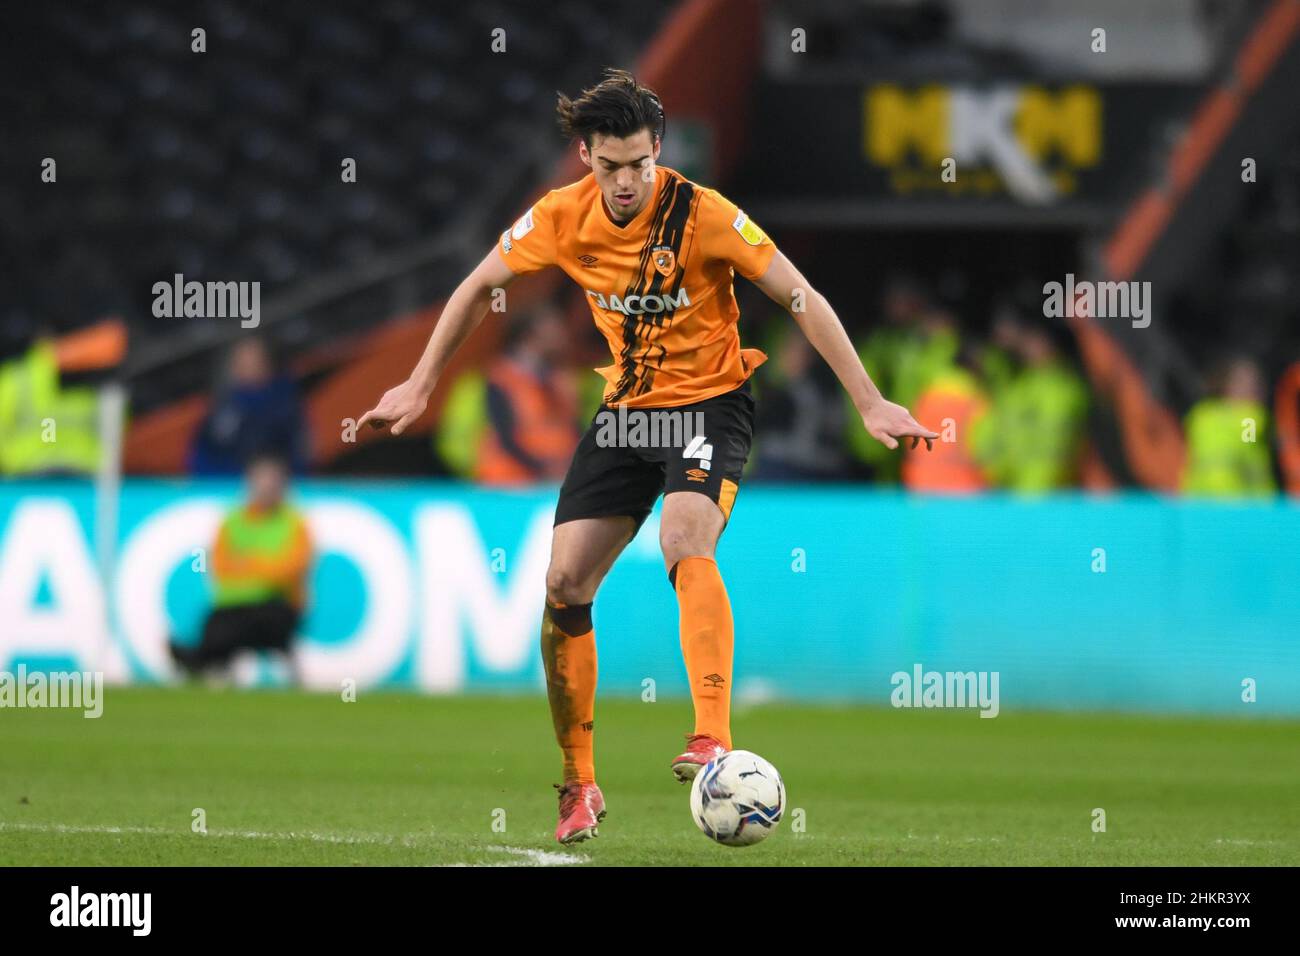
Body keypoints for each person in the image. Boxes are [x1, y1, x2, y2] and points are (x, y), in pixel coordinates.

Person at [357, 69, 935, 844]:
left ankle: (712, 735)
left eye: (640, 164)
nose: (627, 182)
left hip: (711, 404)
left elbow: (801, 297)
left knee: (683, 537)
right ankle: (578, 784)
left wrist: (868, 399)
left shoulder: (705, 215)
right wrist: (420, 383)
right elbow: (475, 286)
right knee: (563, 581)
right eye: (610, 166)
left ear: (658, 151)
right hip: (628, 413)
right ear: (585, 159)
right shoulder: (561, 218)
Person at [170, 452, 312, 680]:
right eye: (261, 480)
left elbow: (291, 568)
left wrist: (248, 564)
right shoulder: (232, 520)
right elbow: (221, 566)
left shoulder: (294, 522)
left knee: (244, 623)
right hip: (234, 603)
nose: (266, 488)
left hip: (277, 605)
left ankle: (199, 660)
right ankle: (203, 660)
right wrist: (264, 565)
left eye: (272, 482)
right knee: (221, 620)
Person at [188, 337, 309, 476]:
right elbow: (203, 456)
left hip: (281, 486)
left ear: (267, 365)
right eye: (242, 363)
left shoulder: (286, 403)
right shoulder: (223, 408)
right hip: (232, 488)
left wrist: (277, 476)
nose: (248, 368)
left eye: (255, 362)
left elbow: (300, 452)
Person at [1181, 356, 1276, 497]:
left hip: (1199, 504)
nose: (1257, 389)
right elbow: (1250, 461)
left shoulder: (1202, 417)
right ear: (1227, 385)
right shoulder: (1250, 421)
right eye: (1250, 383)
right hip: (1242, 508)